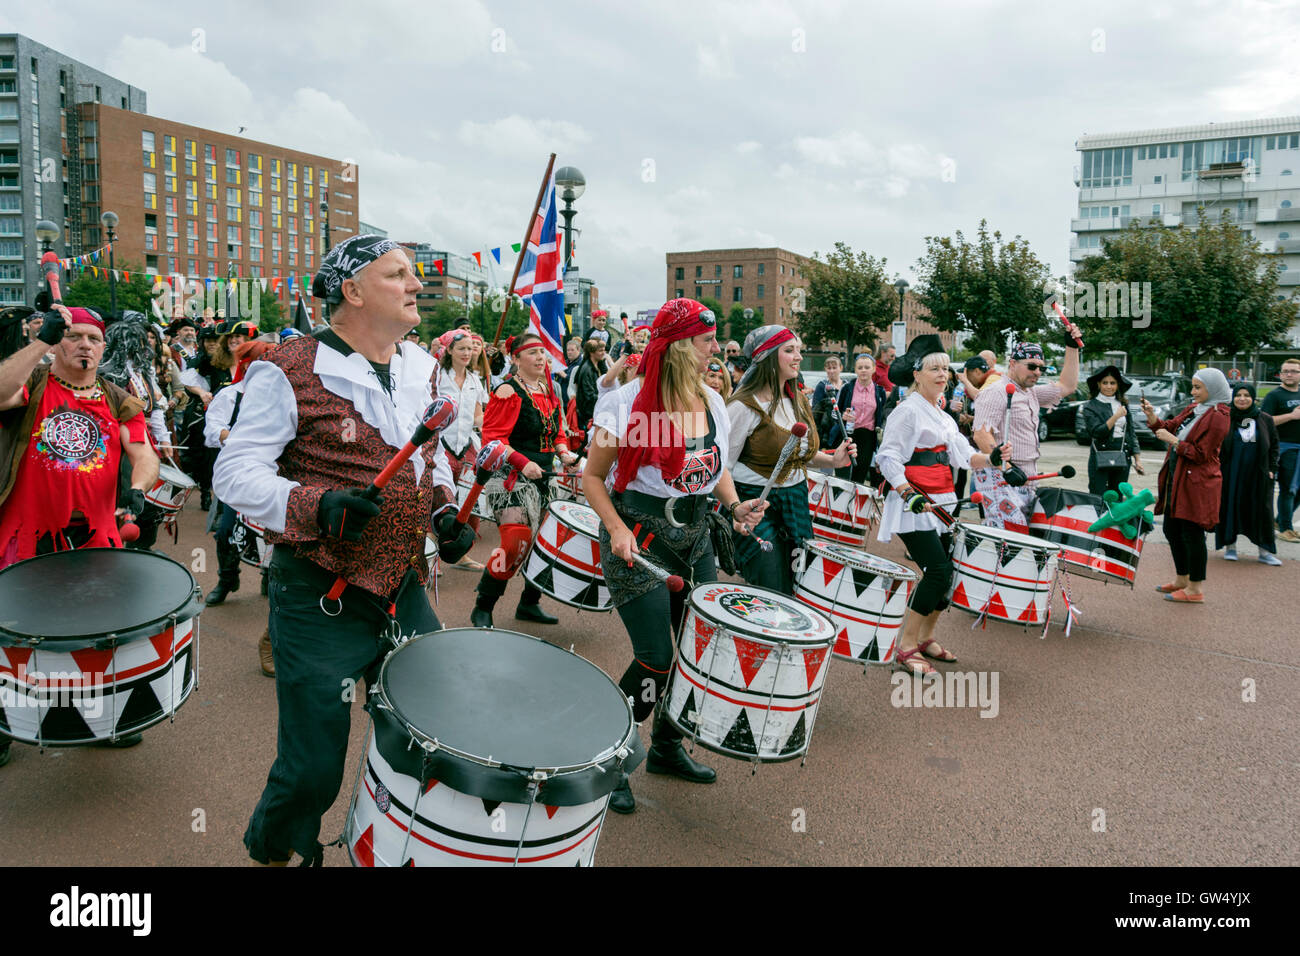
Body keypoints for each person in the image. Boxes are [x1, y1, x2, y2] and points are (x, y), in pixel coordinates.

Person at [212, 236, 470, 865]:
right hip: (319, 594)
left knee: (432, 729)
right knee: (313, 764)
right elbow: (235, 473)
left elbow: (428, 458)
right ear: (352, 291)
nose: (416, 286)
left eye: (414, 276)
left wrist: (442, 509)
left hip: (402, 587)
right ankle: (276, 849)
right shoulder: (288, 366)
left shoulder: (421, 366)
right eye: (399, 275)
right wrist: (315, 504)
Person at [583, 298, 766, 814]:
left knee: (697, 652)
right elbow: (592, 478)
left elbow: (717, 467)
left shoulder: (710, 399)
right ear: (679, 344)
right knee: (655, 660)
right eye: (706, 340)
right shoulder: (622, 405)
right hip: (638, 536)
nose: (715, 349)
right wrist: (616, 528)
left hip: (696, 537)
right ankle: (611, 758)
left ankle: (665, 747)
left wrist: (733, 507)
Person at [0, 305, 160, 766]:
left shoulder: (118, 399)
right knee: (12, 631)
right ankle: (4, 726)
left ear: (103, 347)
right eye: (74, 336)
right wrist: (40, 344)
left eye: (93, 338)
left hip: (95, 539)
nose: (85, 344)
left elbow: (142, 452)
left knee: (95, 636)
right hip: (24, 536)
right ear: (58, 342)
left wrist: (137, 488)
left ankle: (99, 722)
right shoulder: (31, 385)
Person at [874, 335, 1010, 676]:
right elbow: (888, 458)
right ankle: (905, 647)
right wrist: (907, 492)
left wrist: (992, 459)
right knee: (937, 572)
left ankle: (925, 637)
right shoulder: (906, 412)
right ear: (916, 374)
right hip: (914, 504)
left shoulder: (944, 415)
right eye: (934, 368)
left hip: (943, 502)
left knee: (950, 572)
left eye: (945, 368)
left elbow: (965, 458)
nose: (942, 374)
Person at [726, 325, 855, 594]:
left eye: (798, 350)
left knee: (800, 584)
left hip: (796, 501)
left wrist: (833, 461)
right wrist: (734, 508)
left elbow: (796, 457)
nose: (798, 356)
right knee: (772, 588)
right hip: (757, 505)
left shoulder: (797, 400)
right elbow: (722, 467)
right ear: (767, 357)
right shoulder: (742, 406)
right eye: (789, 350)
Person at [470, 332, 579, 628]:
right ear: (515, 359)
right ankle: (483, 605)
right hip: (511, 476)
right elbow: (492, 438)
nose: (540, 358)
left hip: (545, 475)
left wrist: (564, 452)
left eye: (542, 353)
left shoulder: (549, 389)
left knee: (548, 543)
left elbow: (555, 431)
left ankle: (529, 603)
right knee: (515, 541)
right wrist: (523, 462)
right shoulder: (507, 391)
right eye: (532, 353)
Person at [970, 334, 1080, 532]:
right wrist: (1008, 467)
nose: (1037, 372)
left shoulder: (1031, 393)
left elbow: (1067, 386)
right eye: (1031, 366)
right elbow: (981, 434)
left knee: (1025, 542)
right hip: (1001, 478)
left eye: (1041, 368)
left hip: (1026, 480)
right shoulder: (995, 391)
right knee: (1012, 542)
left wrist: (1072, 347)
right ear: (1013, 363)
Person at [1144, 368, 1232, 603]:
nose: (1193, 392)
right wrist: (1153, 417)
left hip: (1198, 483)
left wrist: (1173, 441)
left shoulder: (1219, 416)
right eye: (1193, 386)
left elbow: (1202, 455)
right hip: (1178, 478)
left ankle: (1195, 588)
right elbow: (1169, 425)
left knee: (1192, 534)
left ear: (1213, 389)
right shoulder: (1196, 409)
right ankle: (1182, 579)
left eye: (1197, 387)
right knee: (1171, 529)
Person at [1215, 382, 1282, 566]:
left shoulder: (1265, 419)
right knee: (1230, 507)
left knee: (1262, 511)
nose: (1242, 399)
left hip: (1258, 473)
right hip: (1231, 472)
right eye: (1238, 395)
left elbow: (1274, 447)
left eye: (1246, 395)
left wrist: (1271, 469)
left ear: (1253, 398)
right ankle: (1230, 547)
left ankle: (1265, 551)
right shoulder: (1225, 417)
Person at [437, 329, 488, 571]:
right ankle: (429, 560)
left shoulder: (474, 380)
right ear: (449, 350)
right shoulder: (436, 377)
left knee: (472, 501)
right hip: (440, 446)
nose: (468, 353)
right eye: (462, 349)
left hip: (467, 446)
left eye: (470, 348)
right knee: (437, 500)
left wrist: (491, 420)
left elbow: (478, 416)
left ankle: (463, 554)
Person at [1079, 365, 1144, 497]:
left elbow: (1130, 432)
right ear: (1098, 384)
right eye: (1105, 383)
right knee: (1099, 497)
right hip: (1100, 456)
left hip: (1122, 455)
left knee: (1117, 497)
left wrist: (1137, 459)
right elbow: (1097, 432)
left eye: (1112, 383)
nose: (1109, 387)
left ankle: (1116, 518)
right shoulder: (1090, 406)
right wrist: (1115, 417)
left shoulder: (1123, 404)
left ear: (1118, 385)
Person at [828, 352, 887, 485]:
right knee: (843, 475)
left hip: (868, 437)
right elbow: (833, 412)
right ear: (855, 370)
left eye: (867, 367)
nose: (863, 370)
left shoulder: (879, 391)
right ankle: (841, 502)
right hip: (848, 435)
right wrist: (842, 416)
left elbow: (881, 416)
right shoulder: (847, 388)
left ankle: (855, 504)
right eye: (860, 368)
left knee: (860, 476)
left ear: (873, 369)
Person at [1263, 357, 1300, 542]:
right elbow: (1265, 421)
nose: (1289, 374)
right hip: (1284, 448)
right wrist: (1291, 416)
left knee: (1297, 490)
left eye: (1293, 371)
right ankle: (1286, 529)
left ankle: (1279, 521)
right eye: (1286, 371)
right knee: (1289, 488)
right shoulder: (1274, 396)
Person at [573, 337, 607, 437]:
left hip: (597, 410)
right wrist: (605, 399)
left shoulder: (599, 364)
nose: (603, 353)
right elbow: (589, 395)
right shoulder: (586, 369)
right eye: (600, 351)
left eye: (604, 350)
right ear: (592, 353)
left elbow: (607, 379)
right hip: (588, 414)